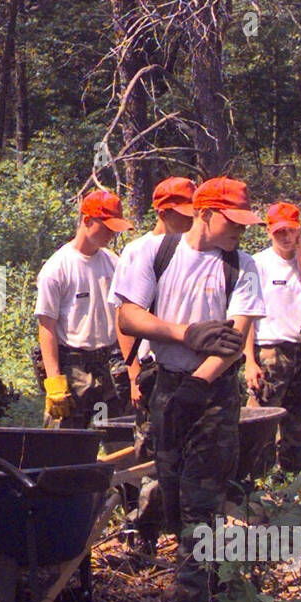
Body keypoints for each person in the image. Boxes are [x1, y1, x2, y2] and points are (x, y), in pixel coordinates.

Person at [112, 177, 265, 602]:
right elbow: (128, 317)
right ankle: (207, 578)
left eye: (245, 221)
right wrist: (186, 333)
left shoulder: (243, 265)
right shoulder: (150, 253)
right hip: (164, 383)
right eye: (233, 221)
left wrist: (199, 385)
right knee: (173, 488)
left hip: (214, 393)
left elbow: (235, 338)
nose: (241, 230)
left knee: (204, 496)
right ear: (205, 214)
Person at [110, 177, 195, 551]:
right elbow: (124, 316)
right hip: (150, 366)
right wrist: (132, 373)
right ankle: (141, 533)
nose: (189, 219)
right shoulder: (140, 250)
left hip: (187, 367)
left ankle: (184, 531)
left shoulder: (196, 248)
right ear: (163, 212)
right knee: (151, 452)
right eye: (181, 213)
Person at [34, 189, 132, 429]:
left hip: (109, 363)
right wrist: (54, 381)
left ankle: (114, 468)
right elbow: (47, 327)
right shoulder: (58, 268)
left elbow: (126, 314)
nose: (112, 233)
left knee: (118, 437)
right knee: (63, 444)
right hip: (72, 363)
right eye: (107, 227)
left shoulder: (113, 262)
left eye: (115, 228)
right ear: (87, 221)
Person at [243, 202, 301, 476]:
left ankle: (288, 484)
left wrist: (300, 260)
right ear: (269, 233)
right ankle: (252, 484)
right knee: (261, 423)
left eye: (291, 231)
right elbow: (247, 313)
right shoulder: (256, 264)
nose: (286, 237)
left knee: (298, 424)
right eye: (280, 232)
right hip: (270, 351)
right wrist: (249, 360)